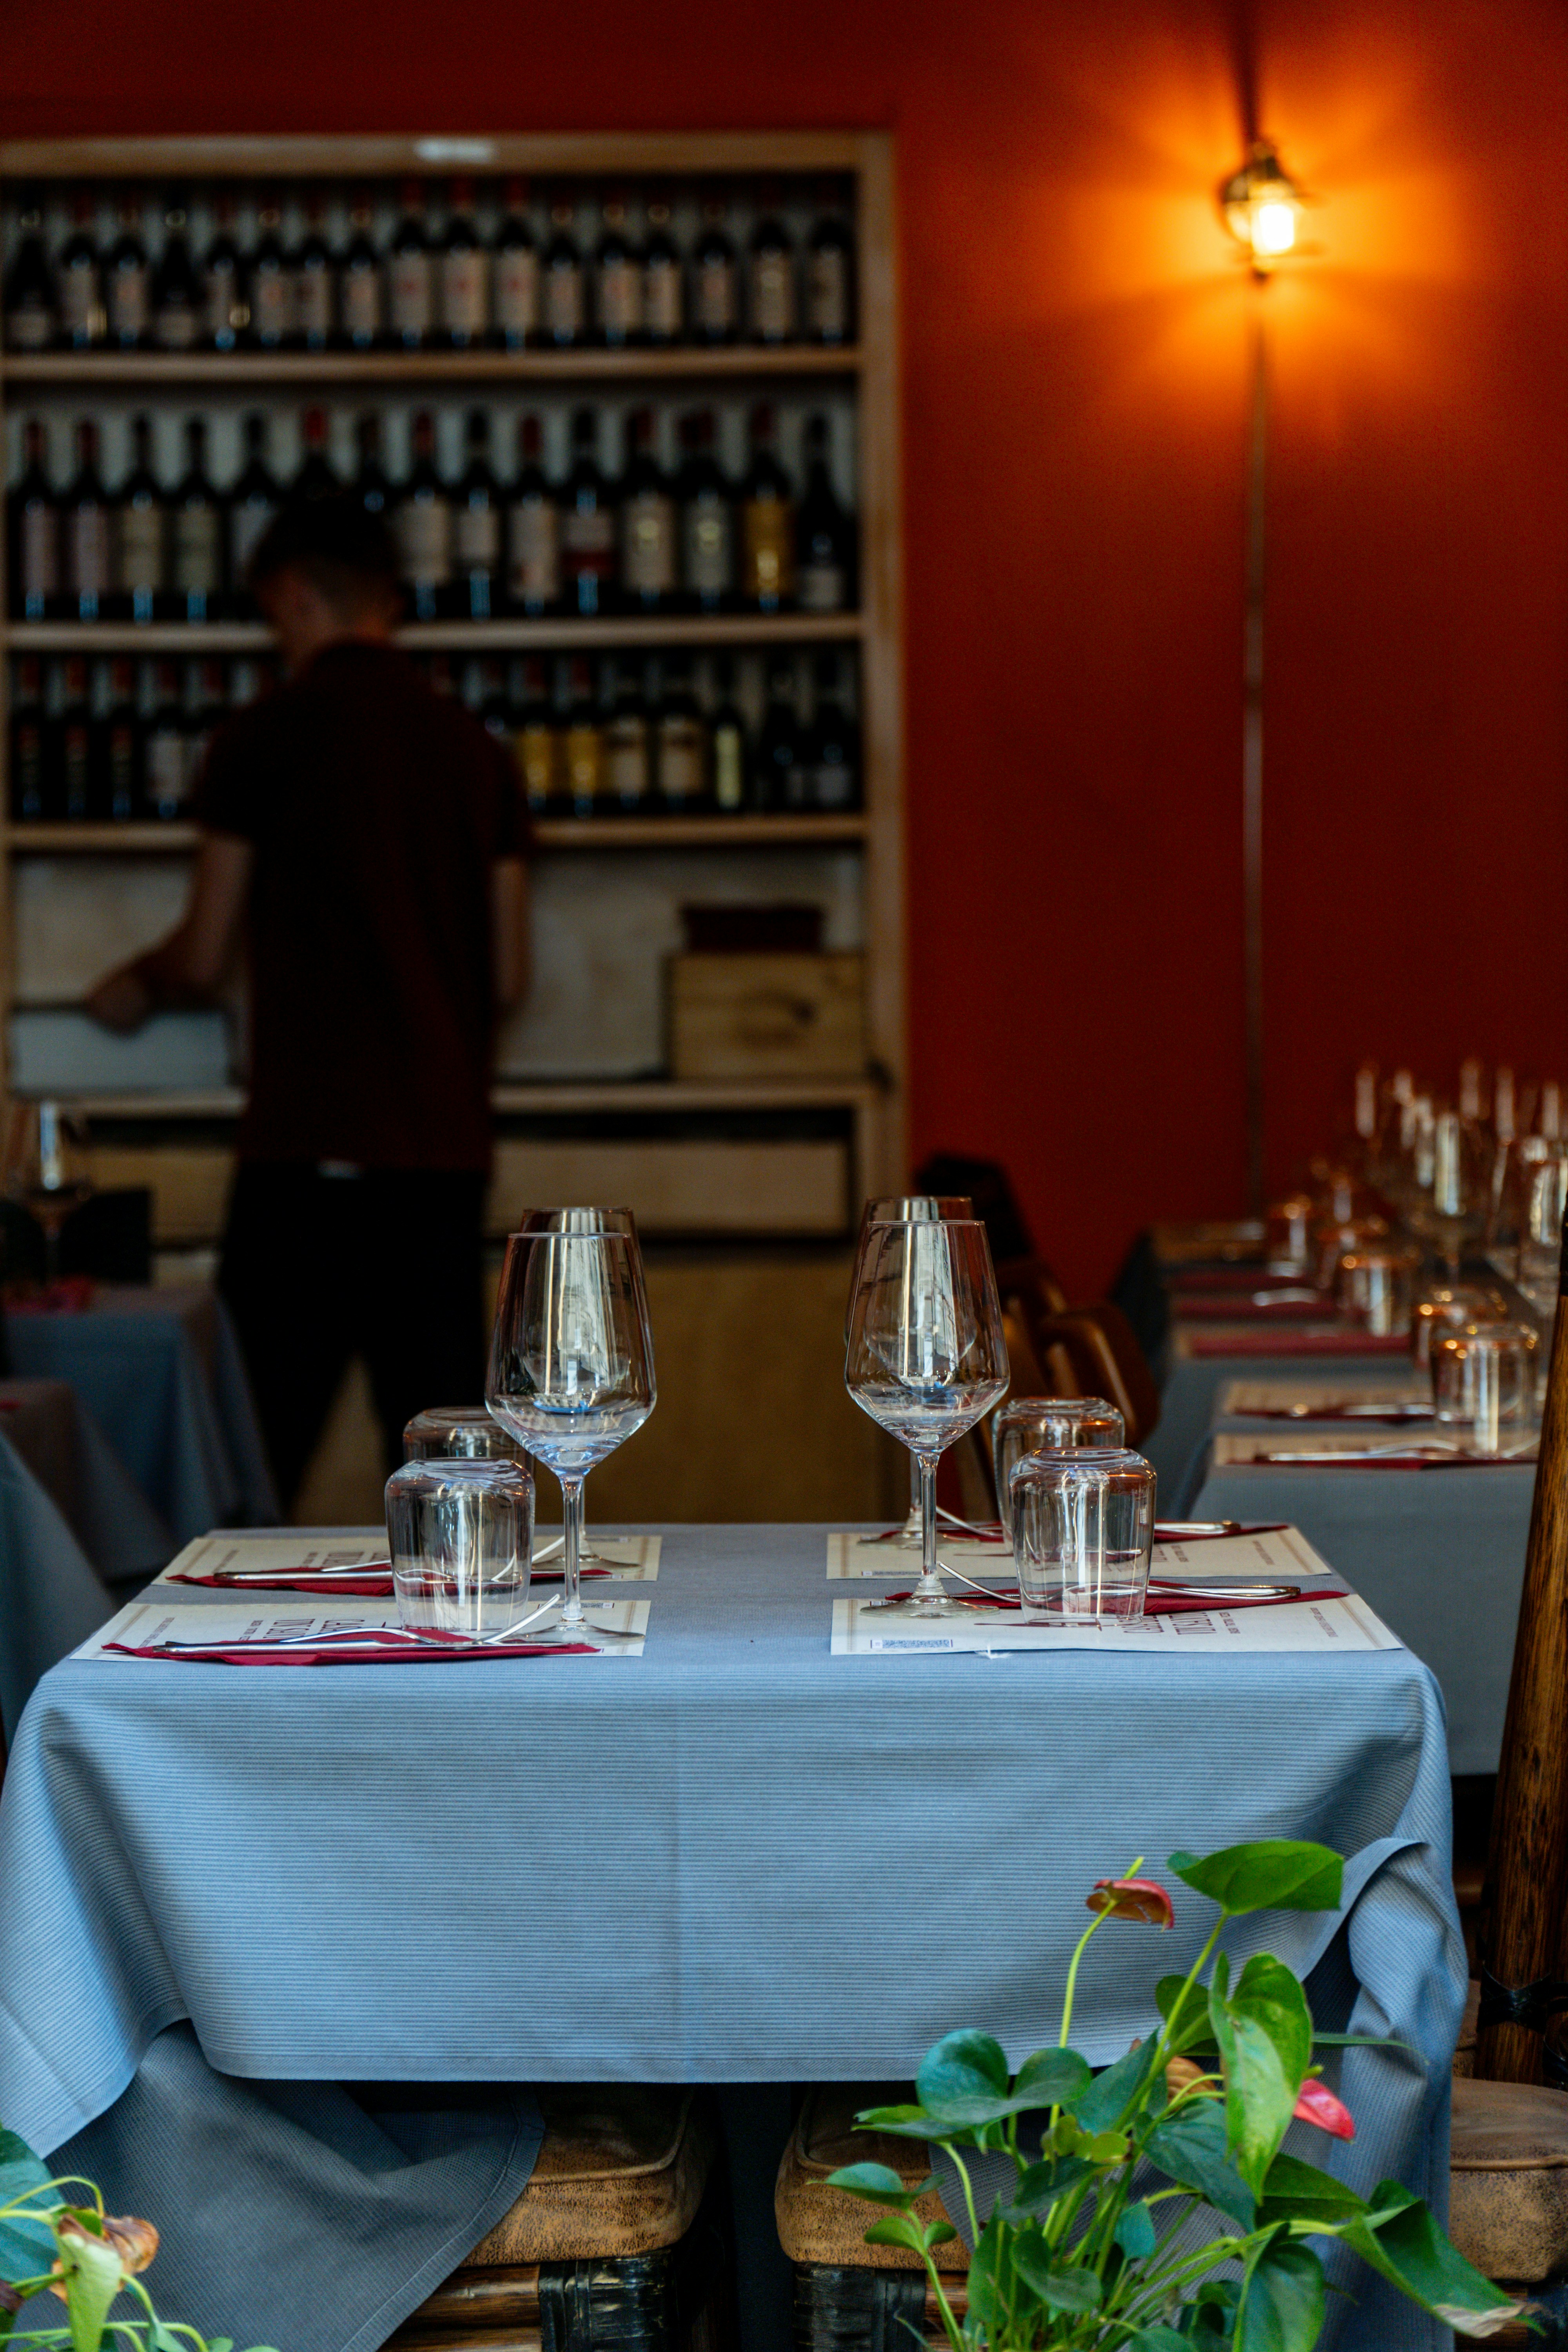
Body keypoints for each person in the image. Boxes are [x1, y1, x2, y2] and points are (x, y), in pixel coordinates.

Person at [86, 494, 530, 1507]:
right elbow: (508, 977)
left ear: (290, 594)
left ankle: (221, 1663)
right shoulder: (474, 751)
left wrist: (135, 983)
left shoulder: (261, 738)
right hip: (438, 1157)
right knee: (450, 1486)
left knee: (247, 1469)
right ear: (390, 600)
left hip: (307, 1151)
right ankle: (452, 1657)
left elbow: (203, 952)